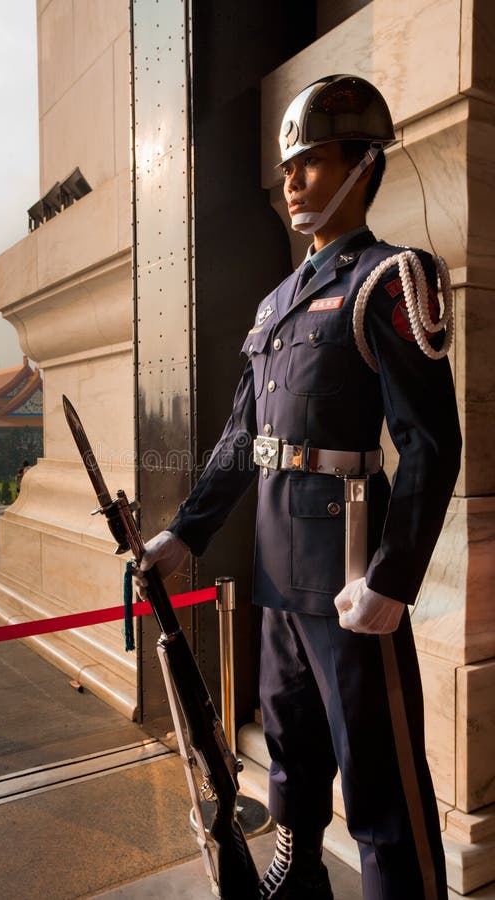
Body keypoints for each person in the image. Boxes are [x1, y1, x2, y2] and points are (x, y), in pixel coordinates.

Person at [134, 75, 461, 900]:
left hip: (351, 571)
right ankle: (300, 866)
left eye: (311, 163)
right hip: (280, 565)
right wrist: (186, 534)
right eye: (288, 167)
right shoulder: (278, 303)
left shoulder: (390, 280)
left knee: (379, 775)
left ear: (363, 166)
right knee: (290, 744)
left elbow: (430, 447)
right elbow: (244, 439)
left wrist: (393, 578)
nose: (292, 181)